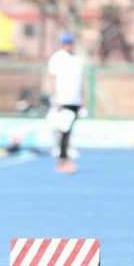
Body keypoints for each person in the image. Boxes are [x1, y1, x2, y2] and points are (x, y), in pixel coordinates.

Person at [45, 32, 85, 174]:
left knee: (69, 130)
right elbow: (52, 79)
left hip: (74, 100)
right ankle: (62, 160)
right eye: (65, 43)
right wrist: (55, 98)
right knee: (64, 130)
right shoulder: (57, 58)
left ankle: (65, 158)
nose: (68, 46)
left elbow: (81, 81)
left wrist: (82, 99)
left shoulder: (77, 60)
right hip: (63, 100)